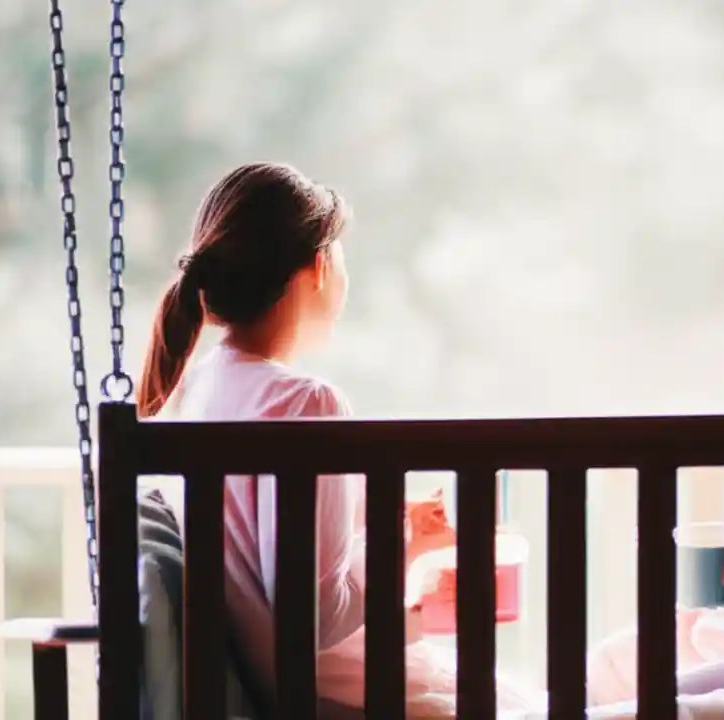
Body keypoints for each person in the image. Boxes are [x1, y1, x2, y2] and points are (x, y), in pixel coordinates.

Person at [137, 162, 540, 715]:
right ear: (320, 267)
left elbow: (278, 579)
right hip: (353, 694)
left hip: (319, 683)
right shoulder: (306, 405)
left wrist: (407, 537)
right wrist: (404, 550)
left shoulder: (203, 387)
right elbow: (316, 615)